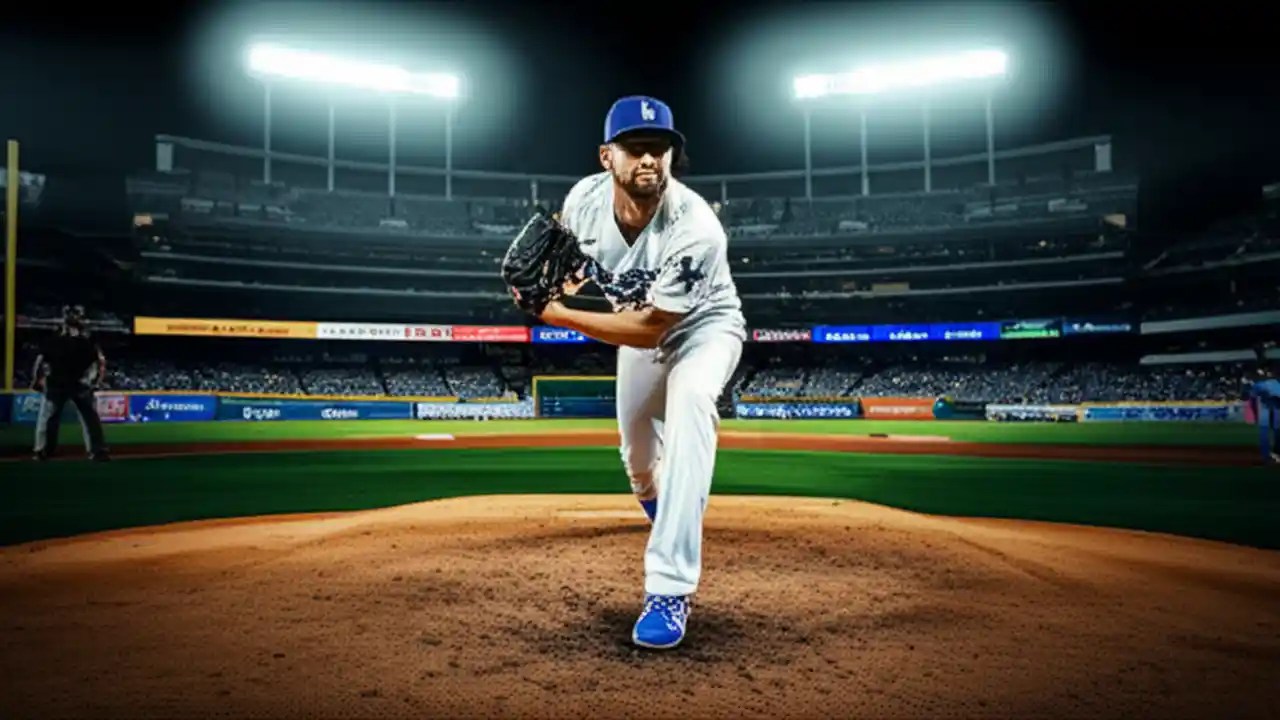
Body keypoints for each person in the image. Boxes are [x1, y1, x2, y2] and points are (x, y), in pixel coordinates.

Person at [537, 96, 746, 649]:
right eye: (636, 148)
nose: (650, 159)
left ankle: (670, 587)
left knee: (692, 406)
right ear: (608, 156)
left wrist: (553, 313)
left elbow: (653, 328)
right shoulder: (582, 201)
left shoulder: (697, 226)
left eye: (661, 148)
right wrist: (553, 286)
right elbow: (570, 264)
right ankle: (666, 515)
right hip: (642, 325)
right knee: (636, 457)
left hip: (703, 328)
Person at [31, 305, 110, 461]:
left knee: (48, 417)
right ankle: (97, 450)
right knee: (89, 418)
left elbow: (40, 361)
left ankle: (43, 450)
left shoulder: (54, 339)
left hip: (58, 382)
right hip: (78, 382)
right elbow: (100, 362)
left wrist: (36, 379)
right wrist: (96, 381)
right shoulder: (86, 341)